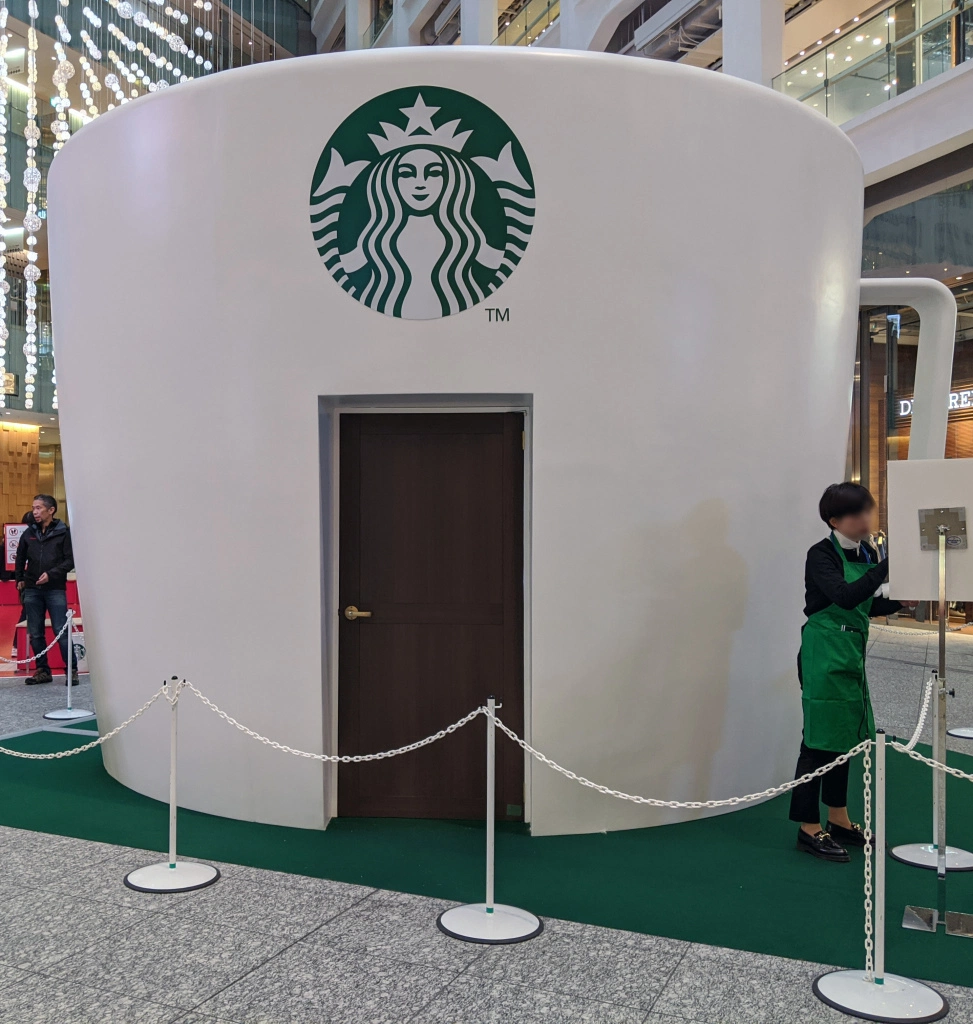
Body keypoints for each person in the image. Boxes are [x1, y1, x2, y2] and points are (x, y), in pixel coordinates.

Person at [790, 483, 903, 862]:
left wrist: (900, 600)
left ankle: (839, 818)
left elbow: (863, 607)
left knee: (846, 740)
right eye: (855, 513)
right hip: (823, 655)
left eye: (866, 511)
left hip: (849, 654)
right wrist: (888, 566)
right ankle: (808, 828)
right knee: (818, 741)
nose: (864, 519)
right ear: (835, 520)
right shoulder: (820, 554)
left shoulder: (866, 551)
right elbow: (844, 596)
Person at [15, 494, 76, 686]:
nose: (35, 512)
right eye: (33, 508)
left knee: (61, 630)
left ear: (51, 510)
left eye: (39, 508)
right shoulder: (29, 532)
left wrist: (52, 574)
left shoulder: (63, 532)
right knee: (35, 632)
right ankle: (42, 670)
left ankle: (71, 670)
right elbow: (20, 556)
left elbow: (70, 560)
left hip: (55, 589)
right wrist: (19, 578)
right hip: (32, 589)